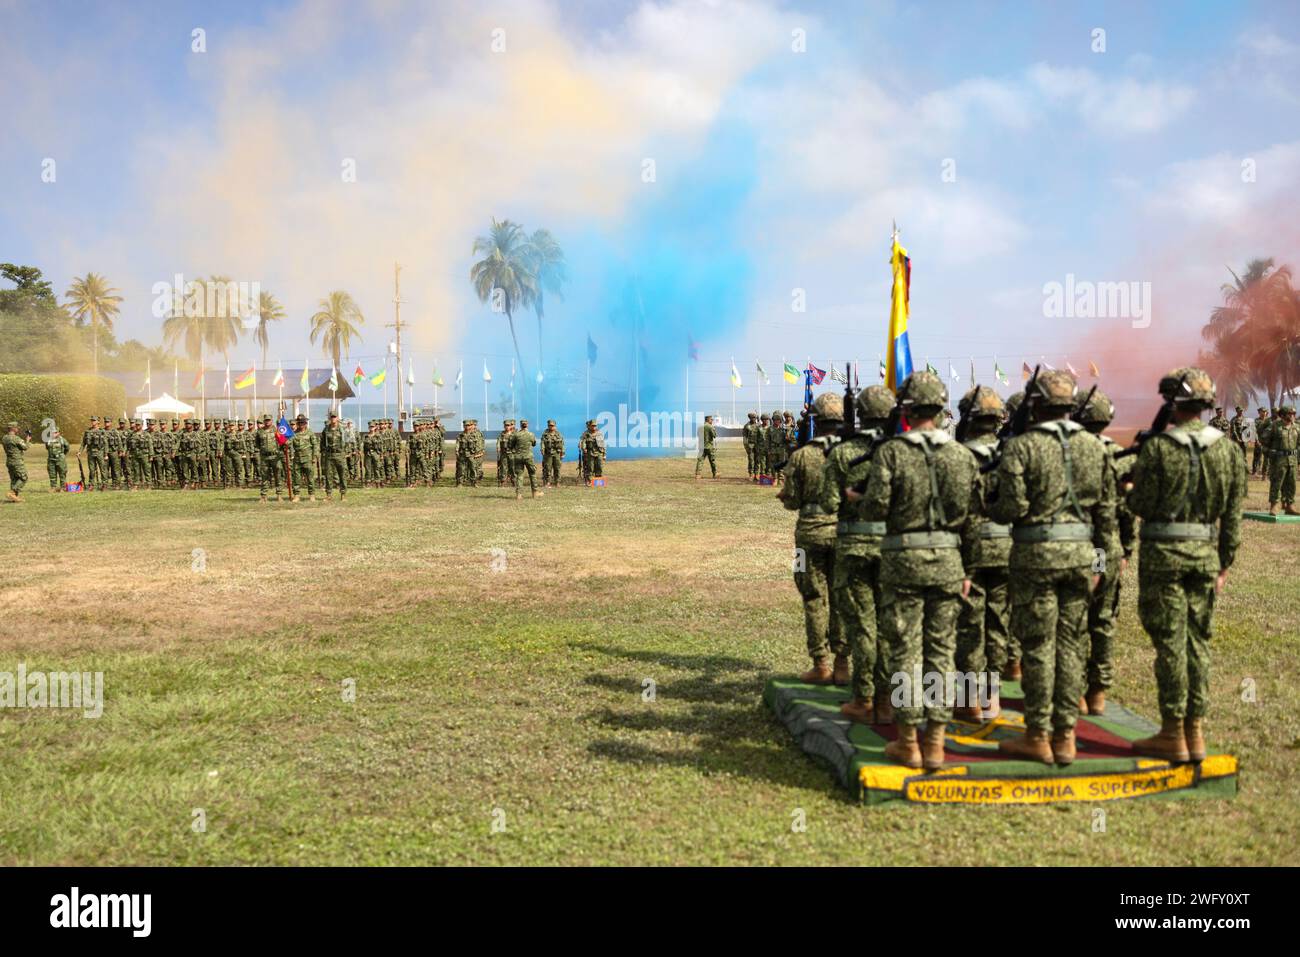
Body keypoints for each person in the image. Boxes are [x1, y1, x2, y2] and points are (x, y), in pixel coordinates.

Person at [989, 370, 1116, 766]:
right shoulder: (1096, 448)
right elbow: (1107, 516)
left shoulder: (1022, 447)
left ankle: (1038, 735)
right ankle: (1066, 737)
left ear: (1037, 404)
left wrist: (988, 506)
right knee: (1072, 644)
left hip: (1036, 558)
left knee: (1039, 647)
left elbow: (1012, 509)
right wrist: (1100, 562)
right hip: (1081, 558)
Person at [1126, 367, 1245, 763]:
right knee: (1198, 641)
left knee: (1171, 644)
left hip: (1164, 558)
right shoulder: (1228, 450)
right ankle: (1196, 732)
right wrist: (1224, 563)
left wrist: (1130, 489)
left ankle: (1173, 732)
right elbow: (1232, 516)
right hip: (1204, 559)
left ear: (1174, 404)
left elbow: (1140, 505)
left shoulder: (1160, 449)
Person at [861, 372, 977, 770]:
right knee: (942, 651)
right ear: (943, 411)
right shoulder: (963, 456)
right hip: (949, 564)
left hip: (902, 564)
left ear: (907, 411)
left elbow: (875, 508)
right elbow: (973, 521)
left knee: (903, 651)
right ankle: (937, 744)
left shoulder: (891, 453)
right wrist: (969, 569)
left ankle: (908, 741)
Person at [823, 384, 894, 723]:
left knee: (863, 626)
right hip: (894, 549)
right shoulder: (900, 451)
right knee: (892, 626)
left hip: (852, 548)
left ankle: (865, 698)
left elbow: (828, 503)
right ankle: (889, 699)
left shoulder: (841, 453)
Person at [1073, 389, 1136, 717]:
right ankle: (1097, 692)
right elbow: (1126, 509)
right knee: (1103, 619)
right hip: (1107, 549)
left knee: (1075, 621)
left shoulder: (1071, 452)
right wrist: (1126, 549)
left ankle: (1076, 693)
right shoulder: (1120, 455)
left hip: (1080, 547)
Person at [777, 393, 846, 685]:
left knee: (813, 597)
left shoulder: (803, 456)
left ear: (816, 421)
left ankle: (821, 663)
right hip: (844, 534)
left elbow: (791, 501)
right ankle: (843, 663)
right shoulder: (851, 453)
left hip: (809, 536)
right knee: (842, 598)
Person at [952, 385, 1011, 722]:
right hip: (1005, 547)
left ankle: (969, 700)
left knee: (969, 625)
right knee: (999, 623)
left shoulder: (958, 456)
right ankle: (992, 699)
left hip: (967, 551)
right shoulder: (1012, 453)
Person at [1264, 404, 1299, 515]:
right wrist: (1270, 453)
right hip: (1279, 460)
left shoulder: (1297, 427)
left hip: (1292, 460)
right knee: (1277, 483)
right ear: (1283, 415)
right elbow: (1263, 441)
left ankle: (1289, 505)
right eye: (1290, 413)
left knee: (1291, 483)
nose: (1293, 415)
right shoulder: (1274, 426)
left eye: (1294, 413)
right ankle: (1274, 505)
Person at [321, 411, 348, 500]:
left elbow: (347, 441)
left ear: (337, 418)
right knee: (328, 475)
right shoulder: (326, 429)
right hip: (329, 455)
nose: (333, 418)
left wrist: (346, 452)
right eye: (331, 417)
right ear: (329, 418)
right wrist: (323, 452)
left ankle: (343, 494)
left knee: (342, 474)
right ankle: (329, 495)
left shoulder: (342, 429)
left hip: (340, 454)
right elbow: (322, 442)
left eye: (334, 417)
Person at [511, 418, 541, 499]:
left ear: (520, 425)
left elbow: (511, 445)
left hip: (518, 457)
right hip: (528, 457)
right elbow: (534, 443)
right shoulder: (531, 434)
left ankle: (519, 494)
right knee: (532, 474)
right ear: (527, 425)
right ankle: (535, 493)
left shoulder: (516, 434)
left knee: (519, 475)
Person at [289, 414, 317, 501]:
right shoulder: (294, 433)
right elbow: (289, 442)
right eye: (299, 422)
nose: (301, 424)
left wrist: (314, 457)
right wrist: (285, 441)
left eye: (302, 422)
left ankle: (311, 494)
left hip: (308, 459)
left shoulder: (310, 433)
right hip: (297, 459)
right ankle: (296, 495)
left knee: (310, 478)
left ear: (305, 423)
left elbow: (315, 445)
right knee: (296, 478)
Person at [256, 415, 284, 501]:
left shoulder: (277, 430)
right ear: (264, 421)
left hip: (275, 457)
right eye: (266, 420)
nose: (267, 422)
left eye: (269, 420)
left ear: (272, 420)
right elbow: (257, 444)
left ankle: (279, 495)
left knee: (278, 476)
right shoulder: (260, 431)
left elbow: (283, 443)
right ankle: (264, 496)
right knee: (264, 476)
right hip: (264, 457)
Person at [4, 422, 29, 502]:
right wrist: (27, 440)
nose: (18, 428)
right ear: (13, 428)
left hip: (9, 461)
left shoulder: (4, 438)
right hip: (17, 461)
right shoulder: (16, 438)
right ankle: (12, 492)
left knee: (14, 479)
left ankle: (14, 498)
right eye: (16, 427)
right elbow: (25, 447)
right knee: (23, 477)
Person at [45, 426, 70, 491]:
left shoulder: (62, 440)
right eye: (52, 432)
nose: (53, 434)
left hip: (60, 460)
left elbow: (67, 448)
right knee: (52, 473)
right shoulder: (48, 440)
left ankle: (63, 487)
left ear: (59, 433)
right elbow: (47, 448)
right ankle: (53, 487)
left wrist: (62, 455)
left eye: (55, 432)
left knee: (62, 473)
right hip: (51, 460)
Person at [541, 420, 564, 488]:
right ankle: (547, 482)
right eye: (550, 425)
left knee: (557, 468)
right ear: (548, 426)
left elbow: (562, 443)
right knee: (547, 468)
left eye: (552, 425)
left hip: (557, 453)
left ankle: (557, 482)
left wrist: (563, 453)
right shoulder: (545, 434)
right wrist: (542, 449)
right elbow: (542, 442)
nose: (551, 427)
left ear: (555, 426)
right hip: (548, 454)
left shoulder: (558, 434)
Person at [695, 415, 718, 480]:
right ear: (708, 420)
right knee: (712, 460)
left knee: (700, 460)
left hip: (701, 446)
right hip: (709, 447)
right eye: (711, 420)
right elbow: (714, 435)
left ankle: (698, 474)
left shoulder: (700, 427)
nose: (712, 421)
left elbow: (698, 435)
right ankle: (715, 473)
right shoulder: (710, 427)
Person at [742, 411, 761, 482]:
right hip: (750, 445)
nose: (753, 418)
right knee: (751, 460)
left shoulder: (759, 425)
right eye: (752, 417)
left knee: (757, 460)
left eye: (755, 417)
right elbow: (744, 438)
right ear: (749, 418)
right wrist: (746, 447)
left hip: (758, 445)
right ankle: (751, 474)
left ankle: (757, 474)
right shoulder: (747, 426)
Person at [1252, 407, 1269, 476]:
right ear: (1259, 412)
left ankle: (1265, 471)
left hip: (1267, 442)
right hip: (1259, 441)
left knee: (1267, 458)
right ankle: (1255, 471)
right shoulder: (1256, 421)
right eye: (1262, 411)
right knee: (1257, 457)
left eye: (1265, 411)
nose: (1264, 413)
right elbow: (1254, 431)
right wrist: (1256, 440)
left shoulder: (1268, 421)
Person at [497, 419, 515, 487]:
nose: (507, 427)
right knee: (504, 468)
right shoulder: (502, 434)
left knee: (513, 468)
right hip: (504, 454)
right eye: (506, 425)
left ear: (511, 426)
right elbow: (498, 441)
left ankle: (514, 481)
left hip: (512, 454)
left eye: (508, 425)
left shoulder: (514, 434)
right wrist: (498, 447)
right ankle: (503, 482)